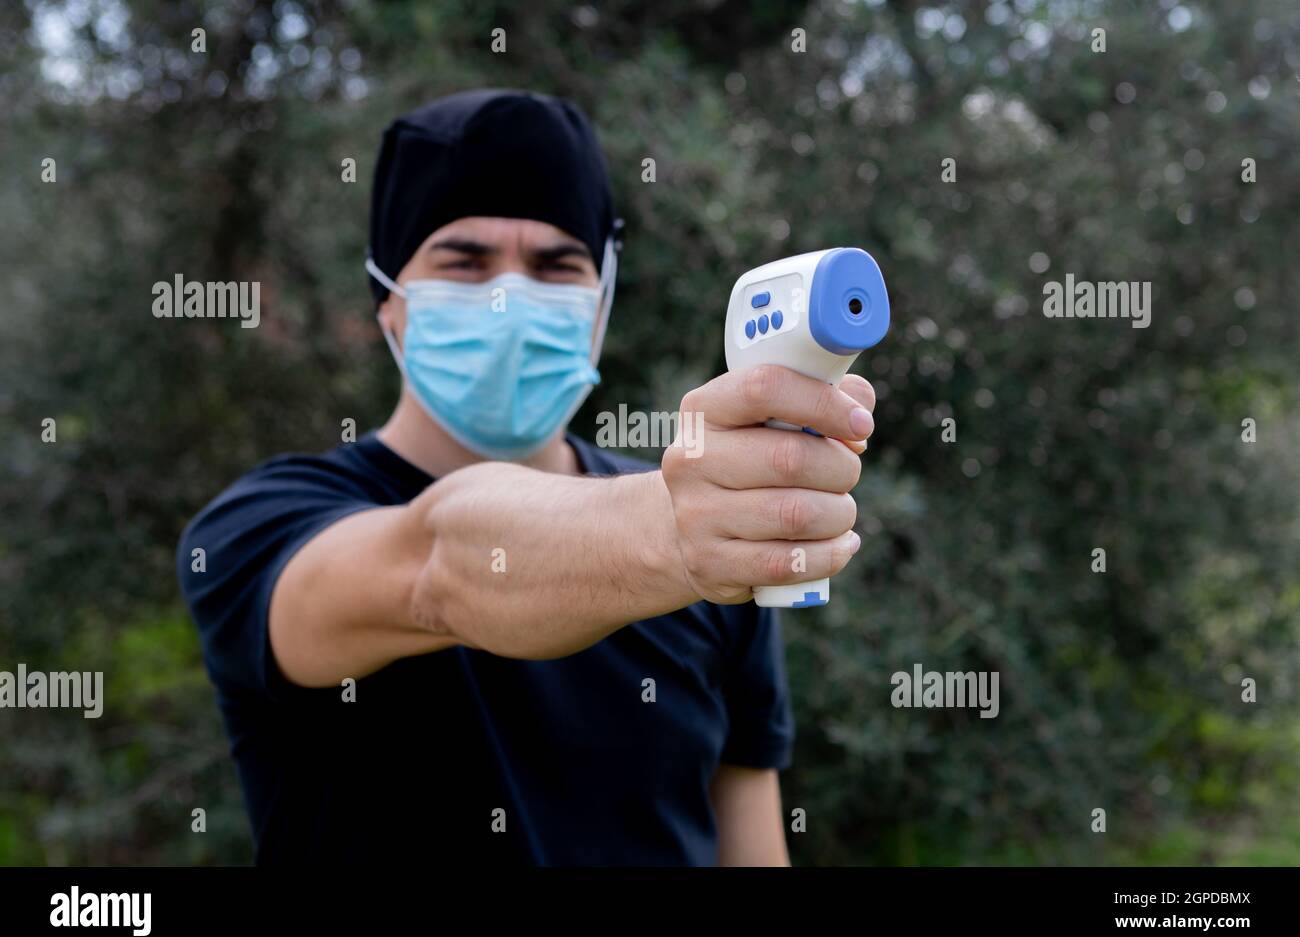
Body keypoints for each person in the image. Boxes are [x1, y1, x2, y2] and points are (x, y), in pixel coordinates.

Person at [177, 88, 876, 865]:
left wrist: (692, 531)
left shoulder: (718, 540)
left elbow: (752, 845)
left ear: (601, 300)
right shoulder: (256, 531)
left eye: (555, 264)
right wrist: (671, 534)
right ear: (389, 301)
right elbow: (438, 568)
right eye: (464, 261)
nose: (510, 293)